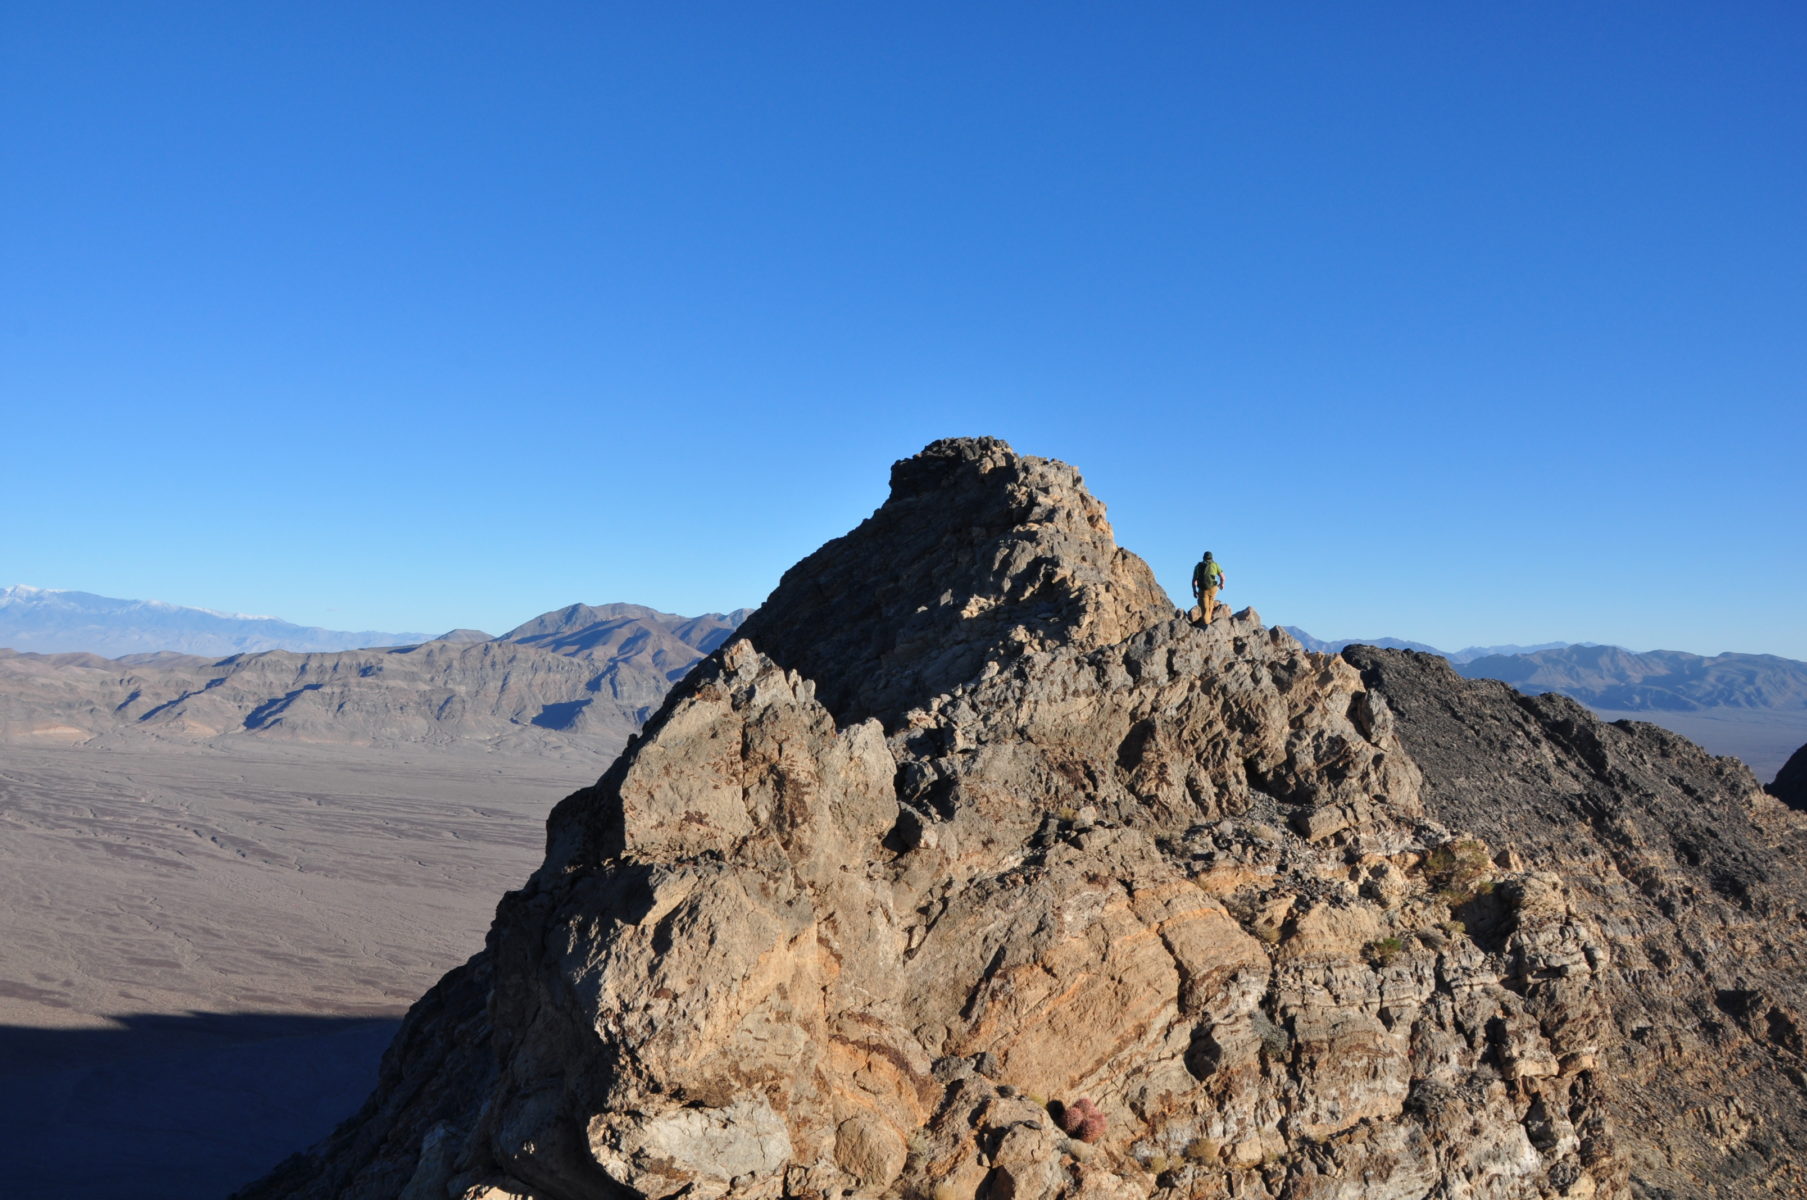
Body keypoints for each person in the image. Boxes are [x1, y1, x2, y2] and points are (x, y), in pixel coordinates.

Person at [1191, 551, 1226, 626]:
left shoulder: (1198, 566)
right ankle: (1209, 621)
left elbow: (1194, 581)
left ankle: (1206, 626)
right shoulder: (1215, 565)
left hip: (1203, 589)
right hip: (1213, 588)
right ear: (1212, 558)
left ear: (1203, 557)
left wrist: (1194, 591)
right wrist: (1221, 584)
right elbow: (1223, 577)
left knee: (1205, 609)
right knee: (1210, 604)